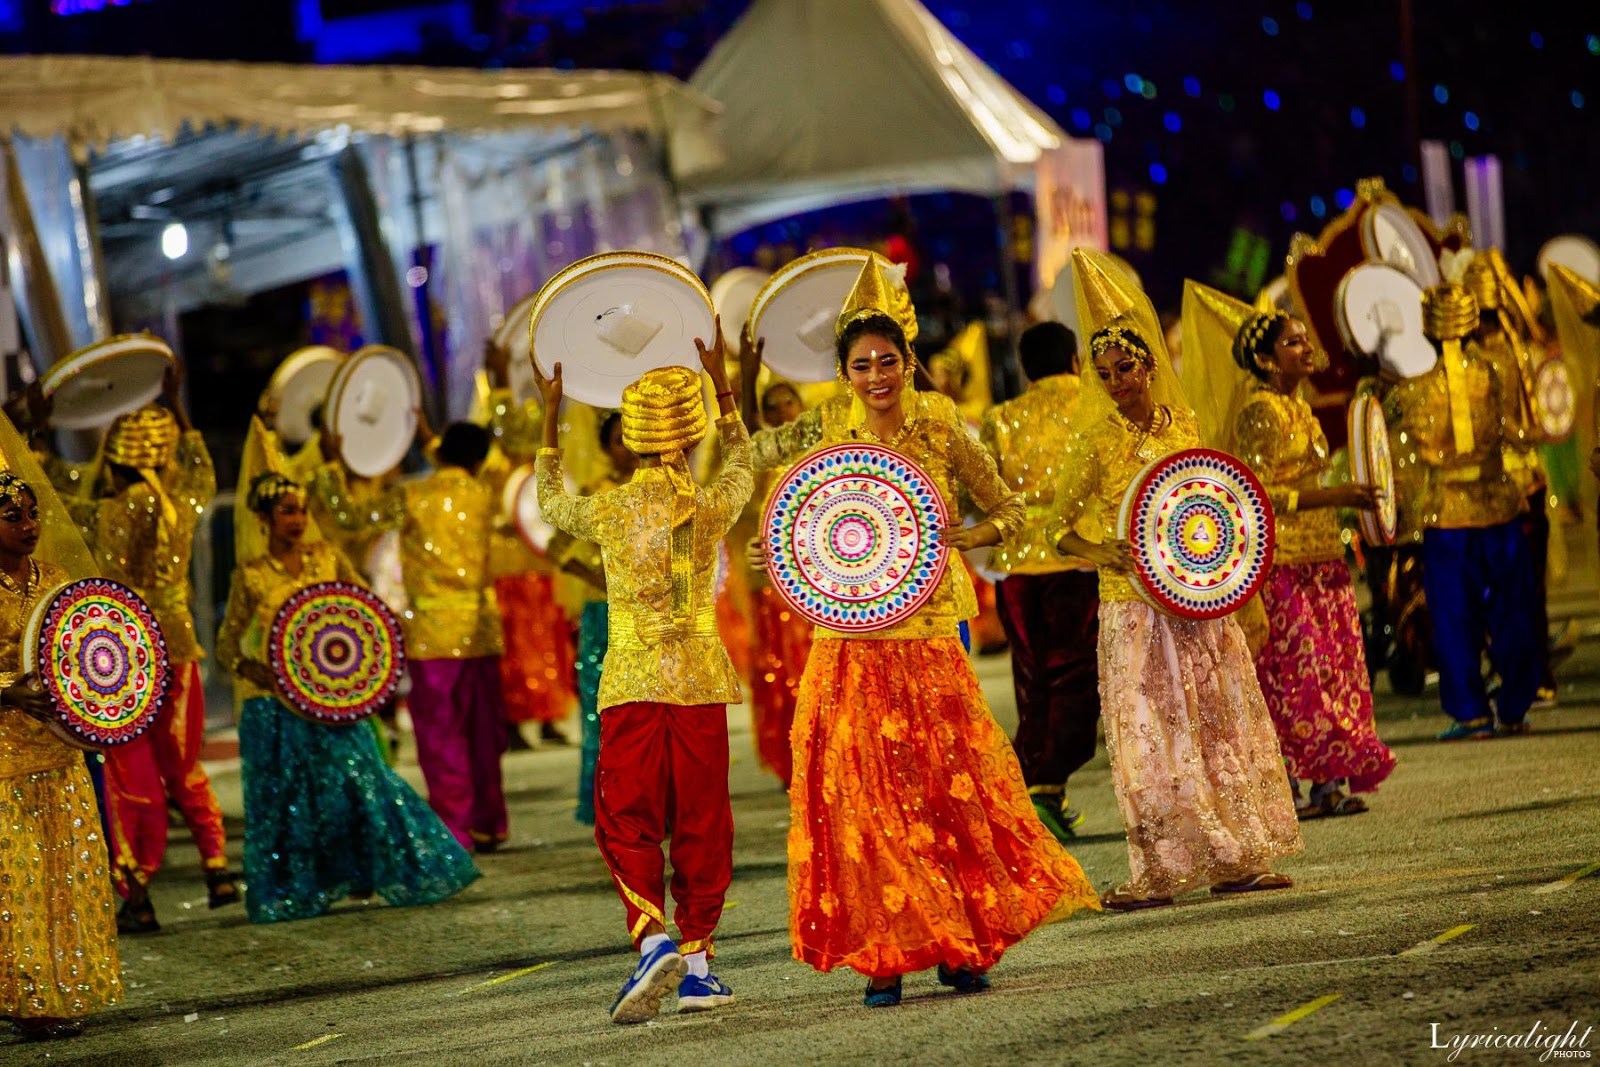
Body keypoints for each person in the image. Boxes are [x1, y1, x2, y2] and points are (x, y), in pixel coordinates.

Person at [745, 257, 1099, 1008]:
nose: (877, 376)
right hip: (849, 637)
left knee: (943, 785)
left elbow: (1005, 506)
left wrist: (970, 538)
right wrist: (771, 547)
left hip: (931, 628)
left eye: (888, 361)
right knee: (866, 793)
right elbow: (766, 488)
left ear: (909, 362)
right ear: (843, 373)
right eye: (862, 365)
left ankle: (960, 938)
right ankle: (885, 949)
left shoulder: (940, 422)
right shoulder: (822, 430)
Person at [1050, 248, 1301, 911]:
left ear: (1151, 365)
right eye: (1103, 372)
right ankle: (1159, 866)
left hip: (1194, 602)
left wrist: (1235, 585)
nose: (1116, 380)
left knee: (1213, 724)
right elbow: (1055, 529)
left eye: (1127, 367)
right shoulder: (1093, 442)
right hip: (1130, 608)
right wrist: (1103, 549)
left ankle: (1234, 857)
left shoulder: (1180, 424)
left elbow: (1210, 505)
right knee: (1149, 734)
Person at [535, 325, 752, 1025]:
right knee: (702, 820)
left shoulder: (606, 508)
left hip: (629, 680)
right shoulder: (711, 504)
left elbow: (548, 503)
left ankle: (651, 934)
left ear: (627, 440)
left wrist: (548, 415)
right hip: (696, 682)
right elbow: (744, 459)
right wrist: (723, 382)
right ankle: (696, 967)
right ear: (688, 439)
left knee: (623, 820)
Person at [215, 464, 480, 923]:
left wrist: (376, 651)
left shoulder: (327, 557)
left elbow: (364, 610)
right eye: (286, 511)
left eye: (302, 510)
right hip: (279, 708)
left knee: (362, 784)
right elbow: (225, 644)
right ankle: (304, 884)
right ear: (263, 518)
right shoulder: (252, 576)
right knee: (293, 803)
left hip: (336, 702)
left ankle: (370, 871)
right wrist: (259, 670)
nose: (297, 520)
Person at [55, 368, 238, 933]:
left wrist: (35, 444)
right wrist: (178, 407)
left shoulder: (125, 505)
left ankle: (137, 890)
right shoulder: (181, 497)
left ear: (115, 457)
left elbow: (78, 520)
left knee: (130, 774)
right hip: (180, 645)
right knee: (183, 767)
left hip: (127, 654)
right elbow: (201, 469)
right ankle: (217, 867)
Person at [1228, 310, 1396, 815]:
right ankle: (1291, 788)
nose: (1306, 348)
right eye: (1293, 343)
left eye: (1306, 338)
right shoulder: (1259, 411)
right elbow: (1253, 493)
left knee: (1334, 669)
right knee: (1295, 672)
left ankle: (1329, 783)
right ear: (1264, 359)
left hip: (1323, 556)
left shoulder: (1298, 407)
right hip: (1280, 560)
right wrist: (1333, 496)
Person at [315, 419, 510, 851]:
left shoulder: (412, 495)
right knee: (482, 732)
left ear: (439, 456)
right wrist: (433, 437)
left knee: (442, 733)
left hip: (433, 636)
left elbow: (347, 517)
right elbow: (486, 458)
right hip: (480, 630)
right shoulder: (486, 491)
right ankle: (488, 821)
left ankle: (456, 828)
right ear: (478, 460)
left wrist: (331, 465)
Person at [0, 424, 123, 1041]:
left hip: (59, 752)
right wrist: (6, 691)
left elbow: (89, 656)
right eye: (11, 516)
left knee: (63, 873)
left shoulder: (53, 580)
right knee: (14, 876)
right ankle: (22, 993)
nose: (27, 525)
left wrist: (103, 712)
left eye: (32, 513)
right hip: (3, 759)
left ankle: (59, 988)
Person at [1382, 283, 1537, 739]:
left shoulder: (1411, 393)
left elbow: (1401, 462)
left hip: (1447, 517)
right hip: (1500, 507)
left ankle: (1471, 713)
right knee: (1515, 610)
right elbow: (1521, 435)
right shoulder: (1497, 374)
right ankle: (1513, 706)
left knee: (1454, 617)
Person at [979, 321, 1101, 841]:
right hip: (1078, 558)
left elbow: (980, 495)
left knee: (1032, 676)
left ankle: (1037, 783)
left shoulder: (1000, 418)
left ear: (1025, 368)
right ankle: (1047, 784)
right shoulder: (1095, 409)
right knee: (1075, 673)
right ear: (1075, 361)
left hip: (1017, 568)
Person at [1462, 253, 1555, 705]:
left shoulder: (1496, 354)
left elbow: (1516, 422)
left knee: (1518, 586)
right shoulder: (1497, 350)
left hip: (1513, 483)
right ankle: (1522, 672)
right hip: (1504, 482)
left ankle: (1531, 673)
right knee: (1508, 588)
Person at [481, 338, 578, 745]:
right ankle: (516, 719)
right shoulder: (498, 460)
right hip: (510, 566)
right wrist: (500, 380)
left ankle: (549, 715)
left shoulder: (542, 458)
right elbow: (507, 429)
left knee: (550, 644)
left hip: (540, 561)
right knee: (519, 647)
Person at [547, 410, 638, 825]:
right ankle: (609, 804)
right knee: (604, 713)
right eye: (619, 439)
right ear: (605, 448)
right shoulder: (594, 493)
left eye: (635, 437)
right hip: (604, 617)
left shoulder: (661, 491)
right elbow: (554, 545)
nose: (629, 447)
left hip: (650, 616)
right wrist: (594, 575)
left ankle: (652, 800)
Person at [742, 378, 814, 789]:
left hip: (820, 593)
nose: (784, 410)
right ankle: (791, 758)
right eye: (774, 406)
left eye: (791, 400)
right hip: (773, 588)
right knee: (780, 674)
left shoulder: (827, 454)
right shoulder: (758, 462)